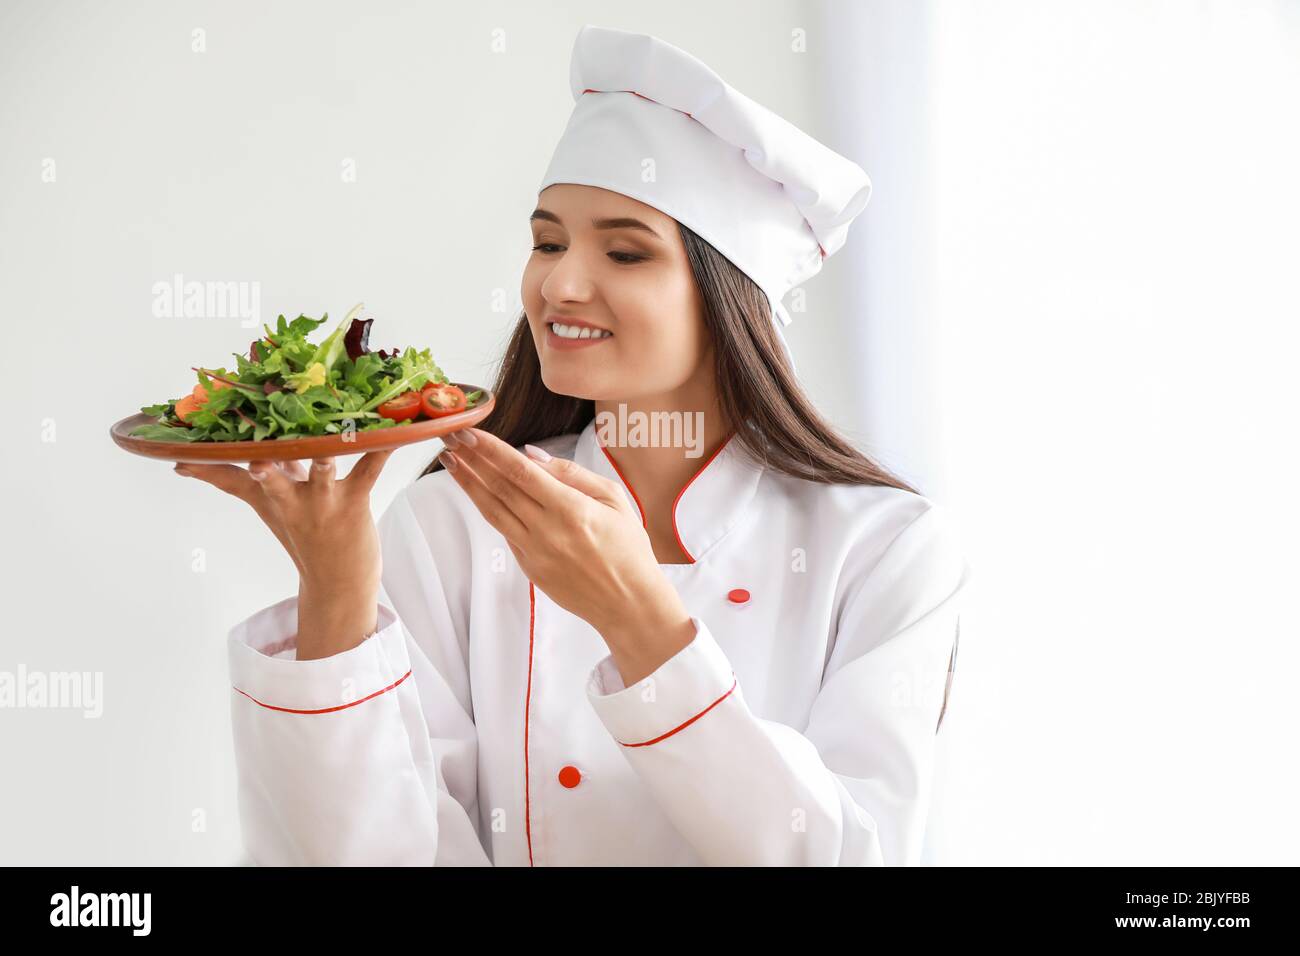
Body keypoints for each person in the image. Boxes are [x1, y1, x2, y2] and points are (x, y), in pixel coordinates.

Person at [175, 24, 970, 866]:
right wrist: (333, 589)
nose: (558, 283)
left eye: (624, 251)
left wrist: (637, 616)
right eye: (548, 242)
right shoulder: (451, 519)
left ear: (730, 297)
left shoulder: (883, 548)